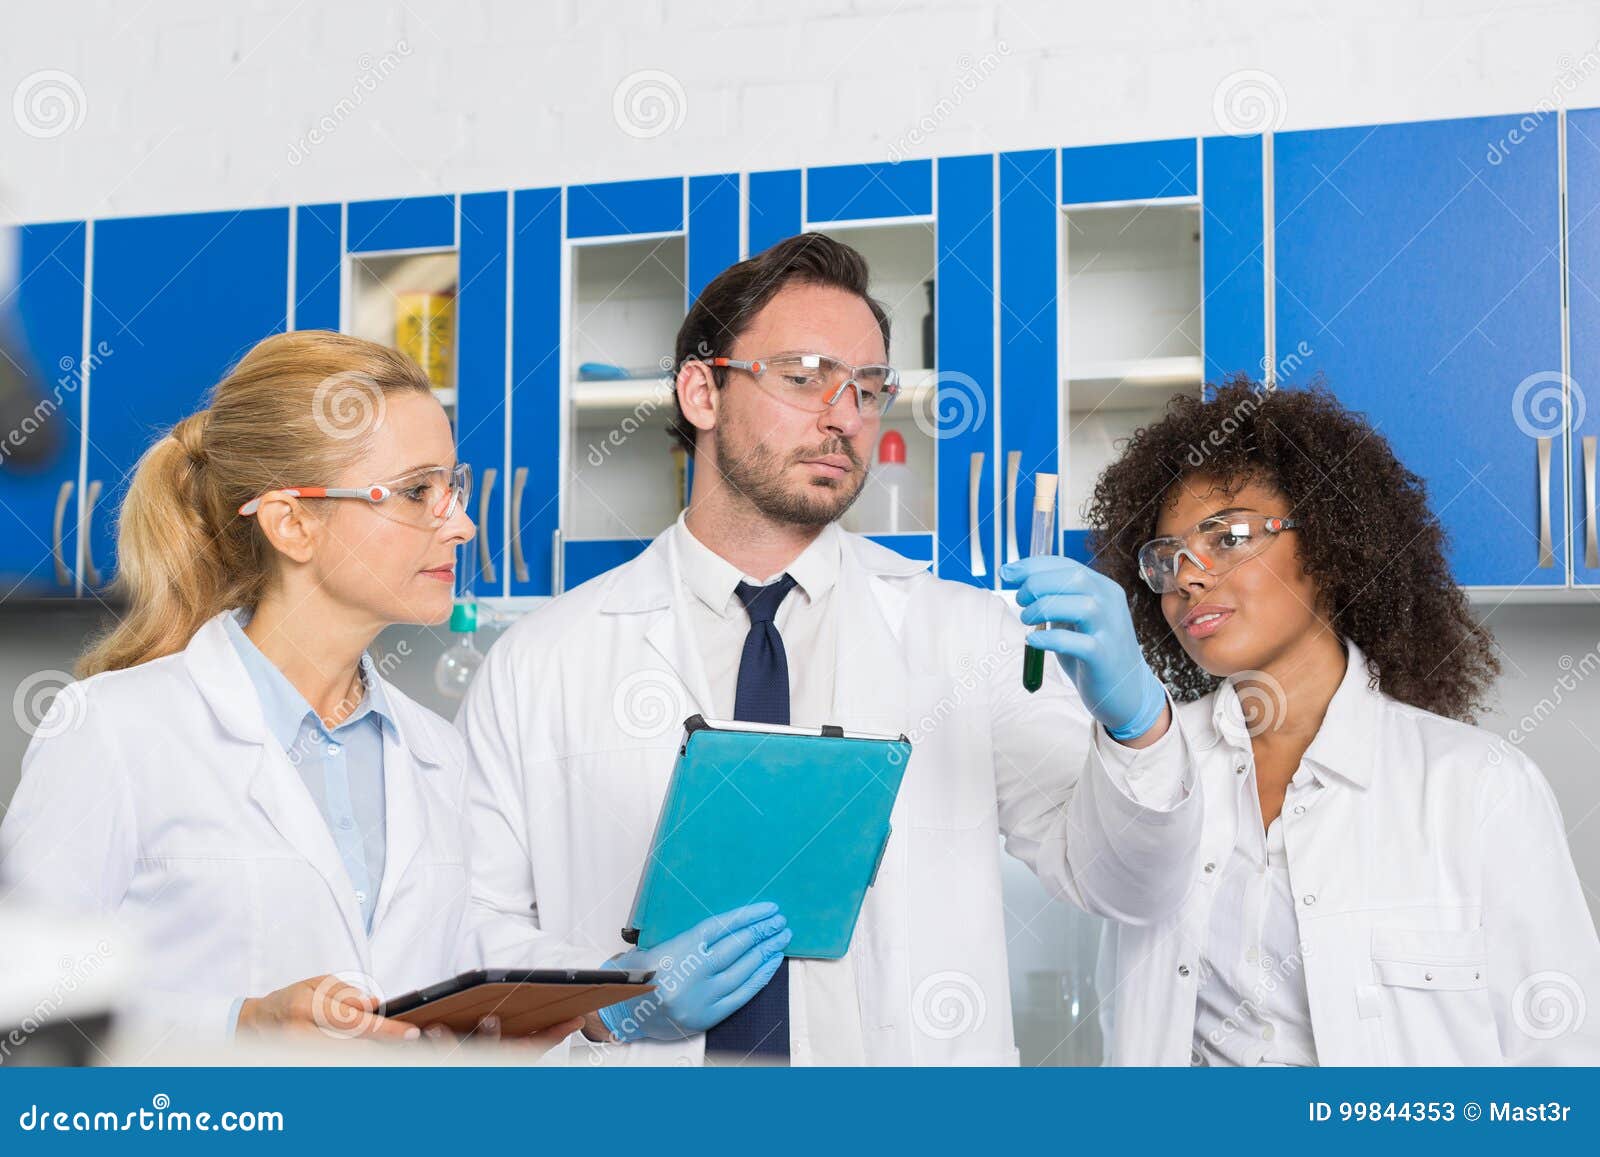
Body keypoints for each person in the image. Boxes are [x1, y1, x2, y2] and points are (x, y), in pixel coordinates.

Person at [456, 233, 1181, 1065]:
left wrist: (1138, 728)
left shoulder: (967, 635)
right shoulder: (540, 662)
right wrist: (610, 998)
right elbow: (471, 927)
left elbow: (1127, 886)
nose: (844, 416)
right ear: (702, 390)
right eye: (804, 378)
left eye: (868, 389)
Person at [0, 330, 580, 1051]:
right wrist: (242, 1021)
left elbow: (454, 961)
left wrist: (604, 990)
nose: (461, 523)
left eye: (453, 487)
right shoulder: (115, 728)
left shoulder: (435, 748)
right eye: (416, 491)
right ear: (292, 522)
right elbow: (23, 1007)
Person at [1004, 377, 1600, 1065]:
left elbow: (1565, 1059)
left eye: (1227, 538)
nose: (1189, 578)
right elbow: (1105, 880)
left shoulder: (1478, 787)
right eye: (1167, 559)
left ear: (1328, 544)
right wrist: (1131, 730)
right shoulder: (1151, 760)